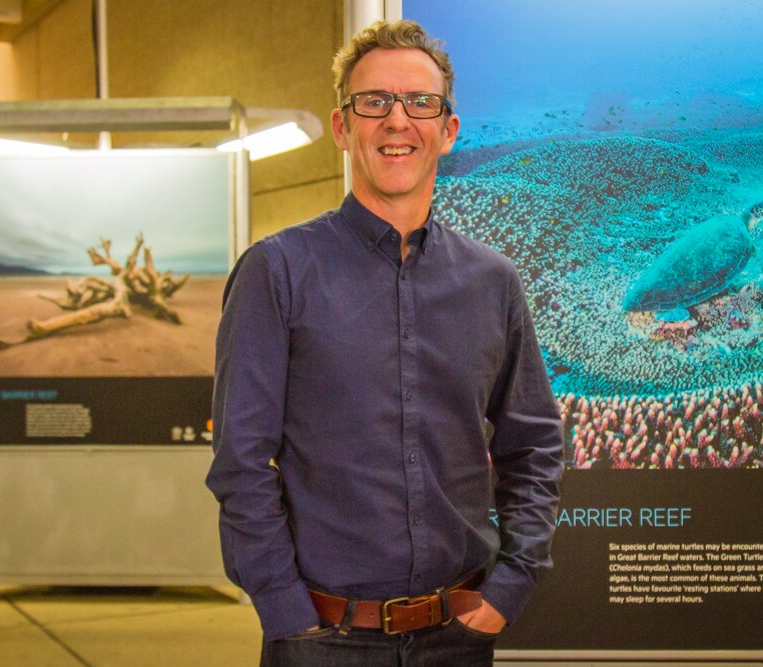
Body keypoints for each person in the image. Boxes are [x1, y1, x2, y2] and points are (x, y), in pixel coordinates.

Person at [206, 19, 564, 667]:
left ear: (448, 131)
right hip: (320, 639)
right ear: (343, 128)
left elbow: (533, 444)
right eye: (374, 101)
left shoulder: (493, 281)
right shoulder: (276, 271)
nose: (397, 120)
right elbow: (240, 460)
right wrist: (284, 608)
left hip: (459, 634)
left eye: (420, 102)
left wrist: (512, 584)